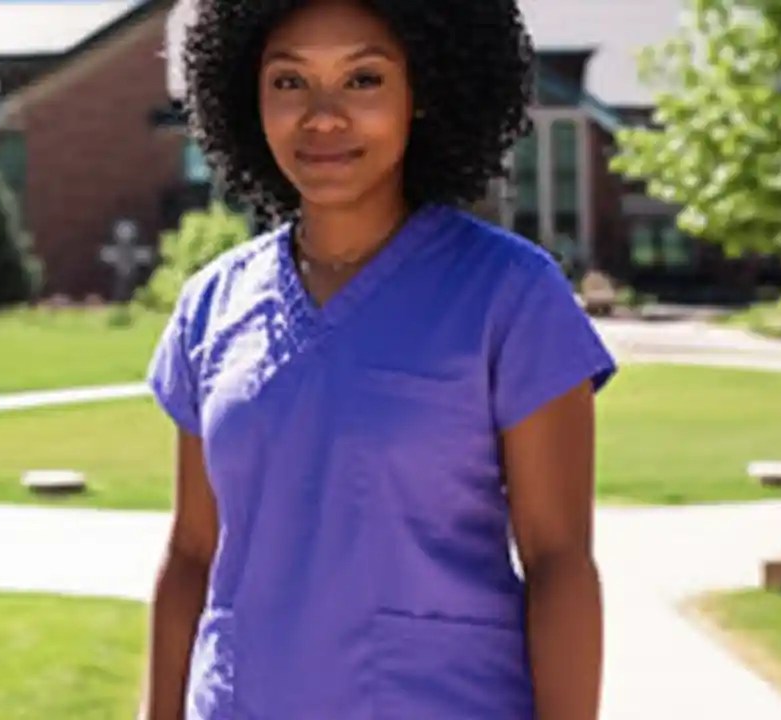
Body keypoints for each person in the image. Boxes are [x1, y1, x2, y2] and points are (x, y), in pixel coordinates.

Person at [141, 1, 616, 718]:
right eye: (289, 82)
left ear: (421, 93)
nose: (322, 117)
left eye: (363, 79)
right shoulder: (212, 305)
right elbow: (191, 557)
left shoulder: (510, 295)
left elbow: (559, 562)